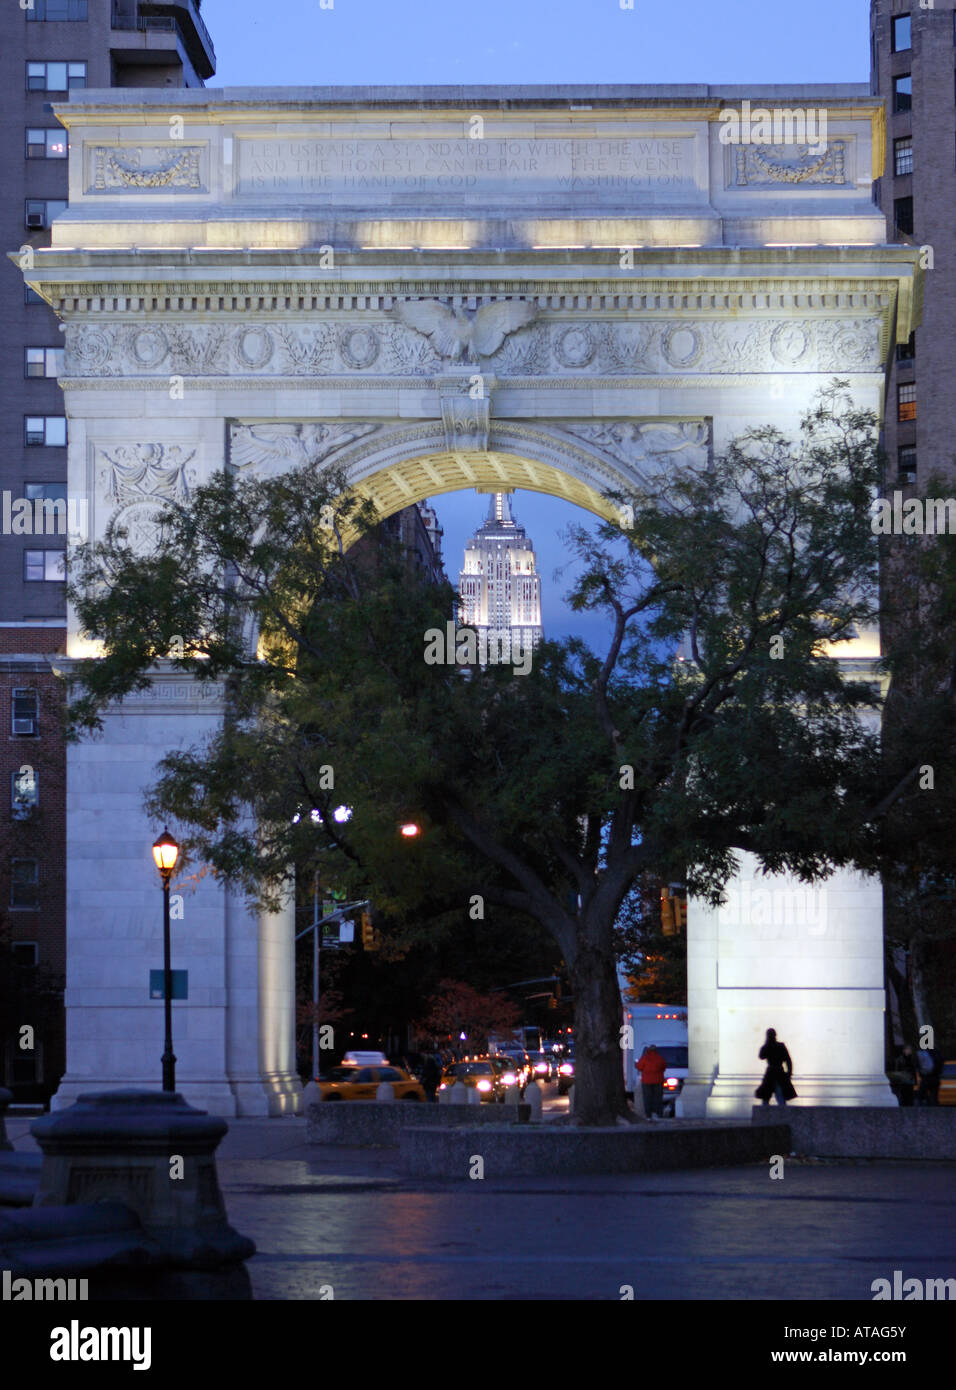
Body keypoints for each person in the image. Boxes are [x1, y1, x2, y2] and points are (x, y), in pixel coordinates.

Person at [756, 1027, 795, 1106]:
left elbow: (788, 1060)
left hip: (775, 1072)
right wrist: (789, 1073)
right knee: (769, 1095)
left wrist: (789, 1073)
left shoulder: (777, 1046)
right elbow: (761, 1056)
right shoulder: (776, 1046)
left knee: (778, 1094)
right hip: (775, 1072)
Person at [636, 1042, 667, 1120]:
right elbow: (664, 1067)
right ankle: (658, 1114)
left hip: (646, 1081)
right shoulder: (660, 1058)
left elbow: (639, 1067)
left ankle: (648, 1115)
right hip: (658, 1081)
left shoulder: (645, 1058)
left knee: (647, 1098)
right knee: (658, 1098)